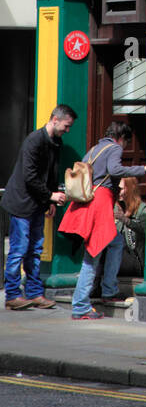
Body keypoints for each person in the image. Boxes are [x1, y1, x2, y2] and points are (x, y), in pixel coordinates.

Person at [59, 121, 146, 320]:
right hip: (100, 205)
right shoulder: (114, 148)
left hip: (87, 204)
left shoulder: (94, 149)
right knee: (92, 256)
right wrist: (142, 169)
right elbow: (115, 170)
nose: (124, 147)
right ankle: (80, 305)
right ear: (121, 138)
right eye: (125, 143)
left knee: (115, 242)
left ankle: (108, 291)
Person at [2, 104, 76, 310]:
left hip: (36, 203)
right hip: (21, 203)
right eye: (66, 125)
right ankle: (13, 295)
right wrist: (51, 195)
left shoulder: (56, 142)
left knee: (35, 249)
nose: (67, 130)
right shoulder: (34, 141)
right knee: (19, 249)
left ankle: (34, 293)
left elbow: (51, 173)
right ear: (54, 119)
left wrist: (49, 201)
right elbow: (30, 177)